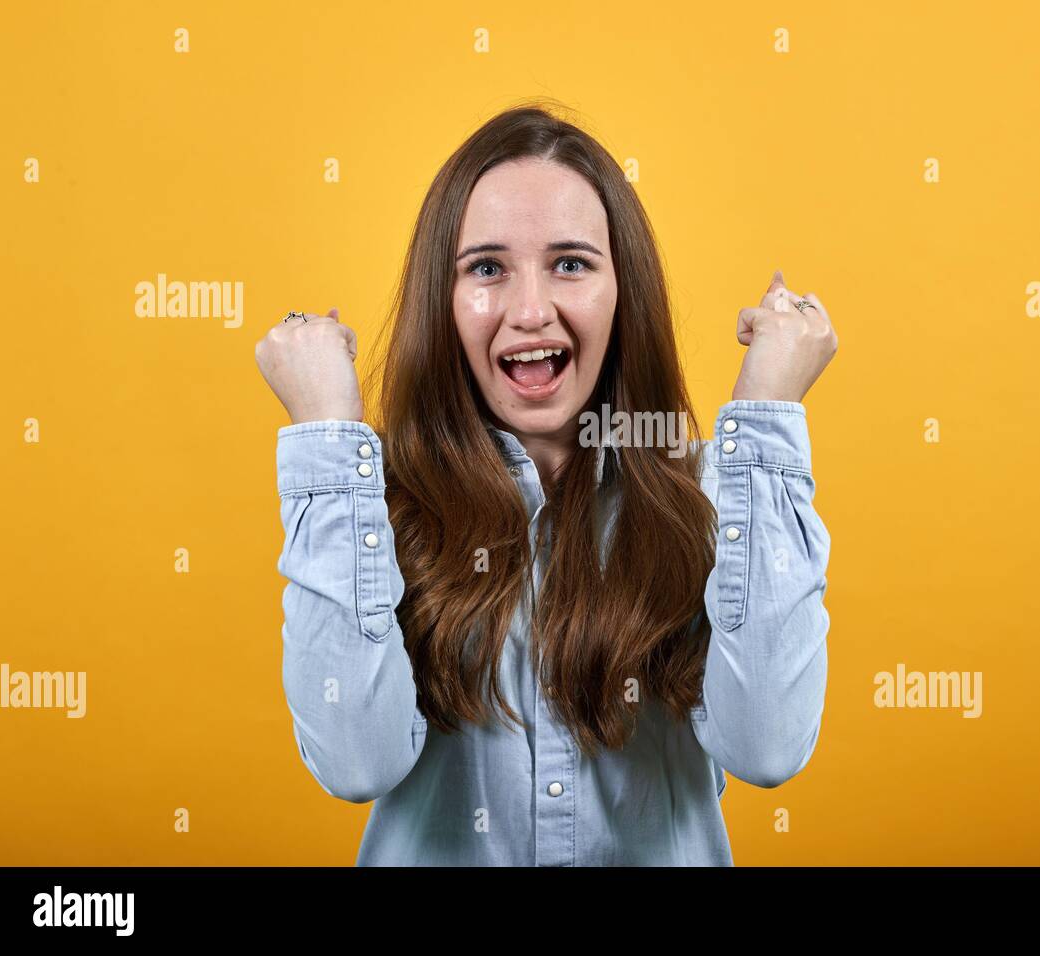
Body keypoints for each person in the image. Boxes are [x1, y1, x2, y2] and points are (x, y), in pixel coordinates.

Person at [254, 104, 837, 865]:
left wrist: (767, 415)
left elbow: (767, 746)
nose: (530, 312)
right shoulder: (368, 503)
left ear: (623, 289)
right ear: (444, 298)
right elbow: (355, 764)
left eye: (571, 263)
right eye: (487, 268)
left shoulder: (715, 496)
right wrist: (326, 433)